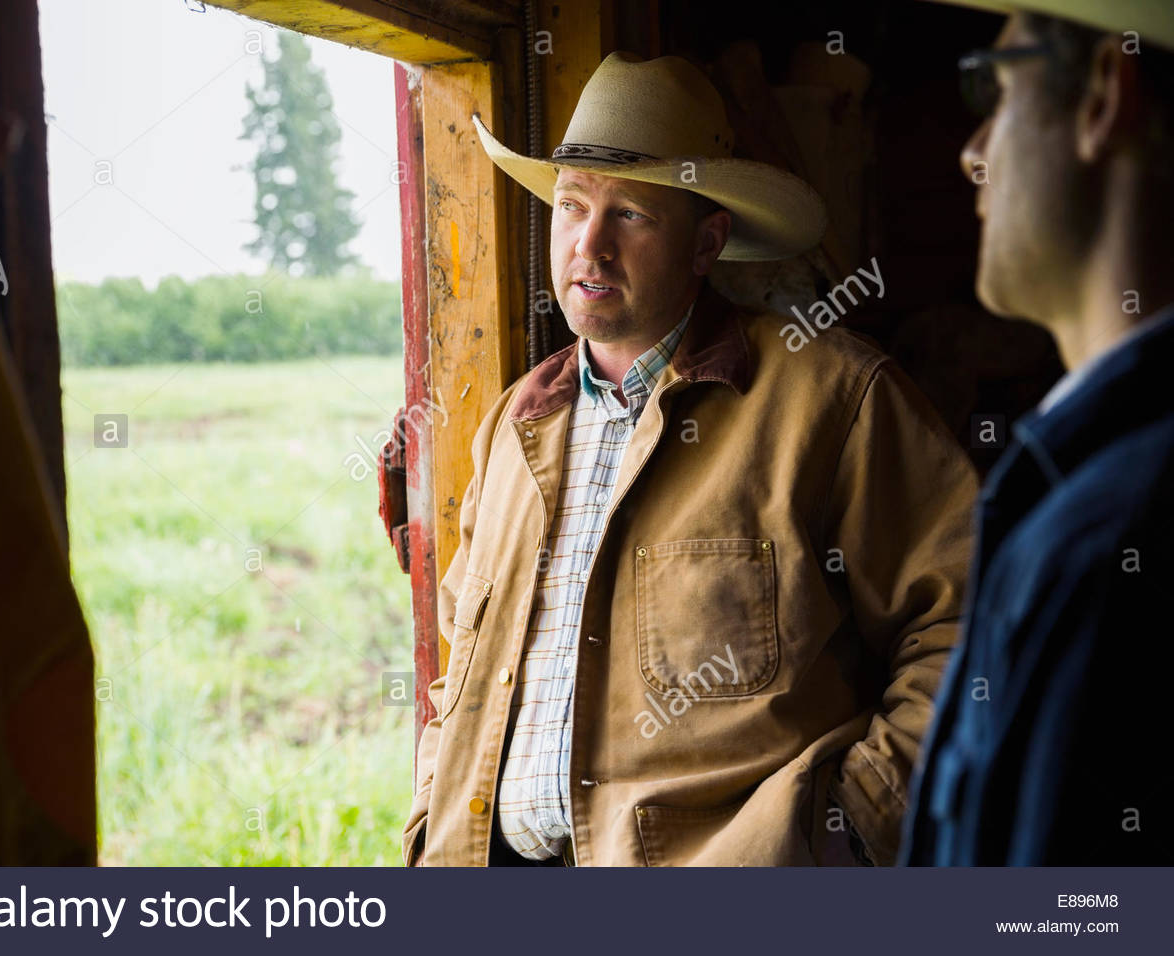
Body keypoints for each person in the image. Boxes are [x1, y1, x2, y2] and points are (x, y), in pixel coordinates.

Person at [403, 51, 977, 867]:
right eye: (571, 208)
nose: (589, 248)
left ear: (707, 241)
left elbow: (961, 627)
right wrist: (434, 816)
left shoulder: (833, 398)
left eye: (631, 215)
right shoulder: (513, 422)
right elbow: (458, 666)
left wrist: (848, 832)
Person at [903, 3, 1174, 864]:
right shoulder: (1089, 488)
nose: (972, 150)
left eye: (995, 87)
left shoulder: (1112, 529)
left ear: (1103, 98)